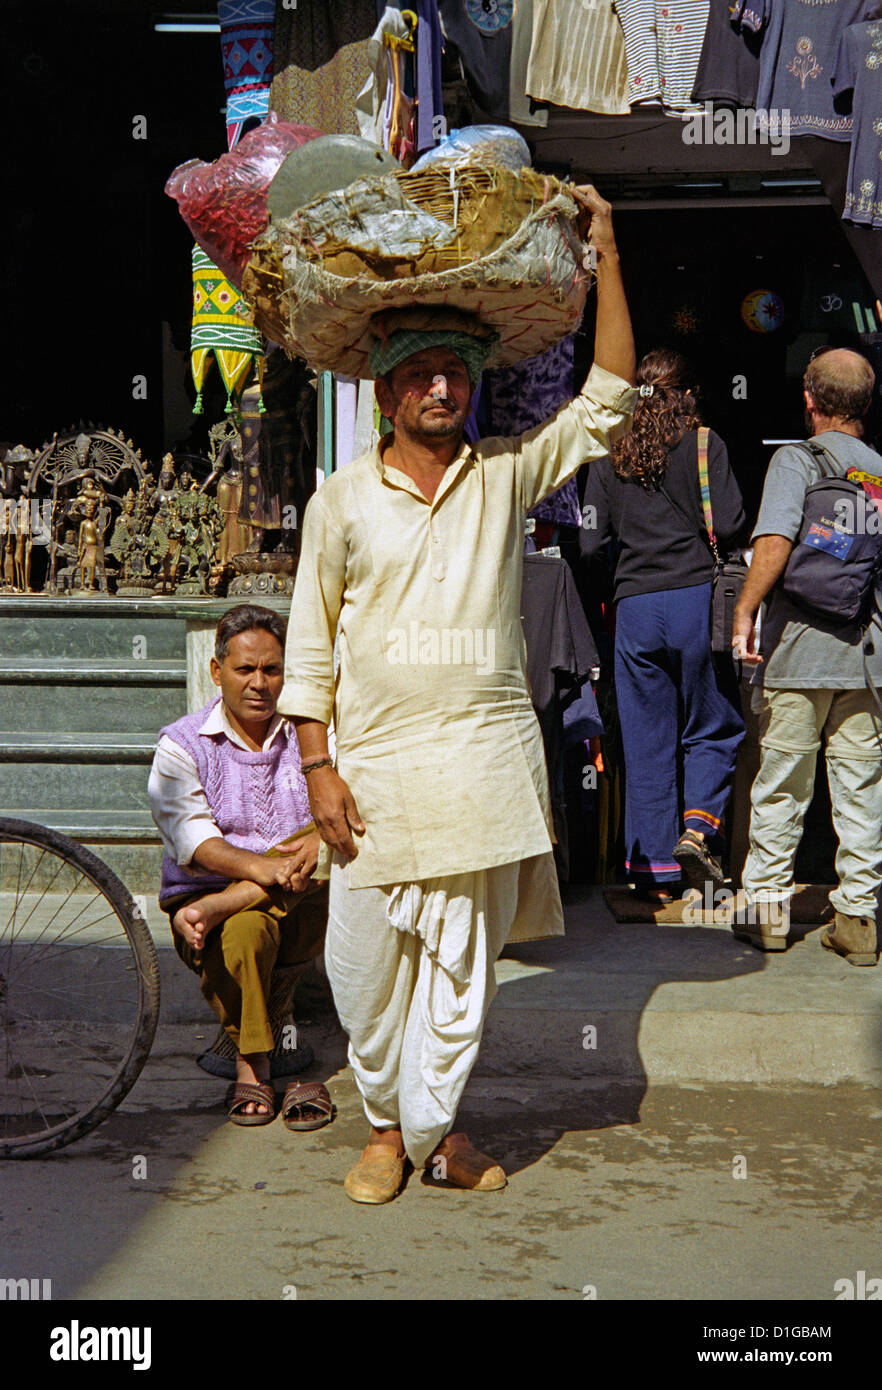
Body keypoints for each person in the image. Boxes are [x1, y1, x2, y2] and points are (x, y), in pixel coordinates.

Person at [278, 186, 637, 1204]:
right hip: (374, 775)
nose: (440, 386)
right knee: (365, 969)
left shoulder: (506, 478)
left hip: (482, 767)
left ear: (475, 385)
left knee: (463, 975)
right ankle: (389, 1125)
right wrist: (317, 765)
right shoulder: (341, 501)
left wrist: (606, 251)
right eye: (419, 372)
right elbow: (309, 643)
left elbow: (607, 394)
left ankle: (430, 1134)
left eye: (455, 371)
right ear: (386, 392)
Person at [147, 603, 333, 1126]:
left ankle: (254, 1062)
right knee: (245, 933)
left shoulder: (310, 736)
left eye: (272, 670)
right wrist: (263, 870)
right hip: (209, 898)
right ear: (216, 671)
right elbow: (193, 840)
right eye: (244, 669)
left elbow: (346, 811)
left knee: (329, 838)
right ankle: (258, 1065)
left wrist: (246, 885)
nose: (259, 683)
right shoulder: (182, 744)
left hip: (293, 894)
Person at [580, 349, 747, 903]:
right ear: (687, 393)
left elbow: (588, 542)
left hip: (636, 612)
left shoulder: (610, 453)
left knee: (646, 740)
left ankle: (654, 872)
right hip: (695, 602)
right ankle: (697, 831)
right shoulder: (704, 444)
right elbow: (728, 523)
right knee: (712, 724)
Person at [732, 347, 882, 964]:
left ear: (809, 402)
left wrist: (745, 611)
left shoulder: (795, 460)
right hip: (867, 662)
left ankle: (767, 912)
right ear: (866, 408)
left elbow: (774, 541)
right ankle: (859, 921)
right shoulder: (877, 469)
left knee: (782, 787)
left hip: (797, 656)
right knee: (860, 789)